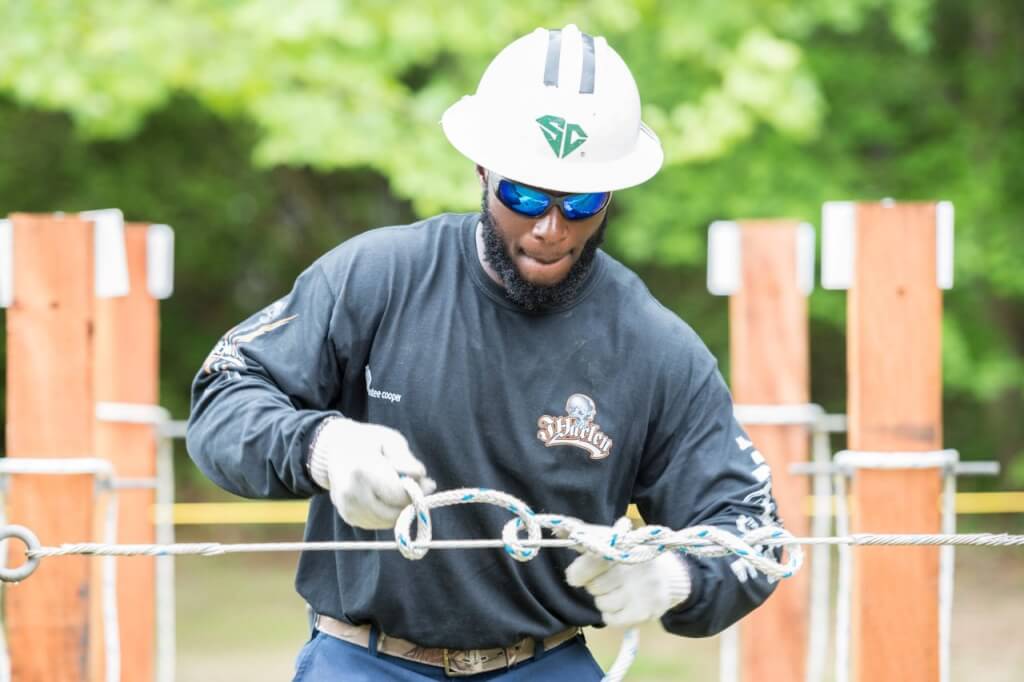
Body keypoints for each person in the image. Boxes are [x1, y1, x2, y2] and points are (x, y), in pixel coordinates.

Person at [187, 24, 783, 681]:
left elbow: (755, 531)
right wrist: (323, 448)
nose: (550, 228)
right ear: (482, 168)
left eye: (580, 202)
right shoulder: (377, 278)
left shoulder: (654, 347)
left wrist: (676, 578)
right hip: (362, 659)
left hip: (545, 663)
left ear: (612, 194)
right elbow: (225, 392)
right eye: (523, 195)